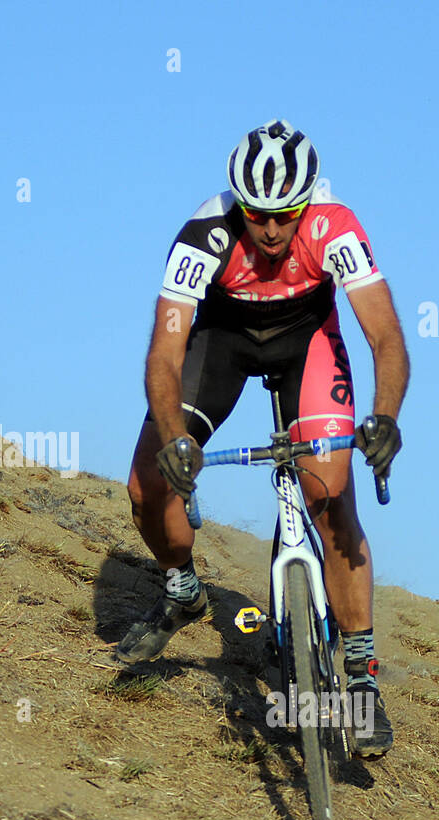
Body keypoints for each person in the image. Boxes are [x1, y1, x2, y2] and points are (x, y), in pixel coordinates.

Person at [120, 120, 410, 758]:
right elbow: (165, 355)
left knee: (330, 494)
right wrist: (173, 437)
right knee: (147, 488)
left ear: (305, 203)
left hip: (307, 341)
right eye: (258, 215)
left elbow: (385, 336)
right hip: (220, 342)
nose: (272, 229)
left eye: (285, 215)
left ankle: (360, 678)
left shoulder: (336, 226)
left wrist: (385, 417)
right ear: (238, 203)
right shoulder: (205, 236)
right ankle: (181, 589)